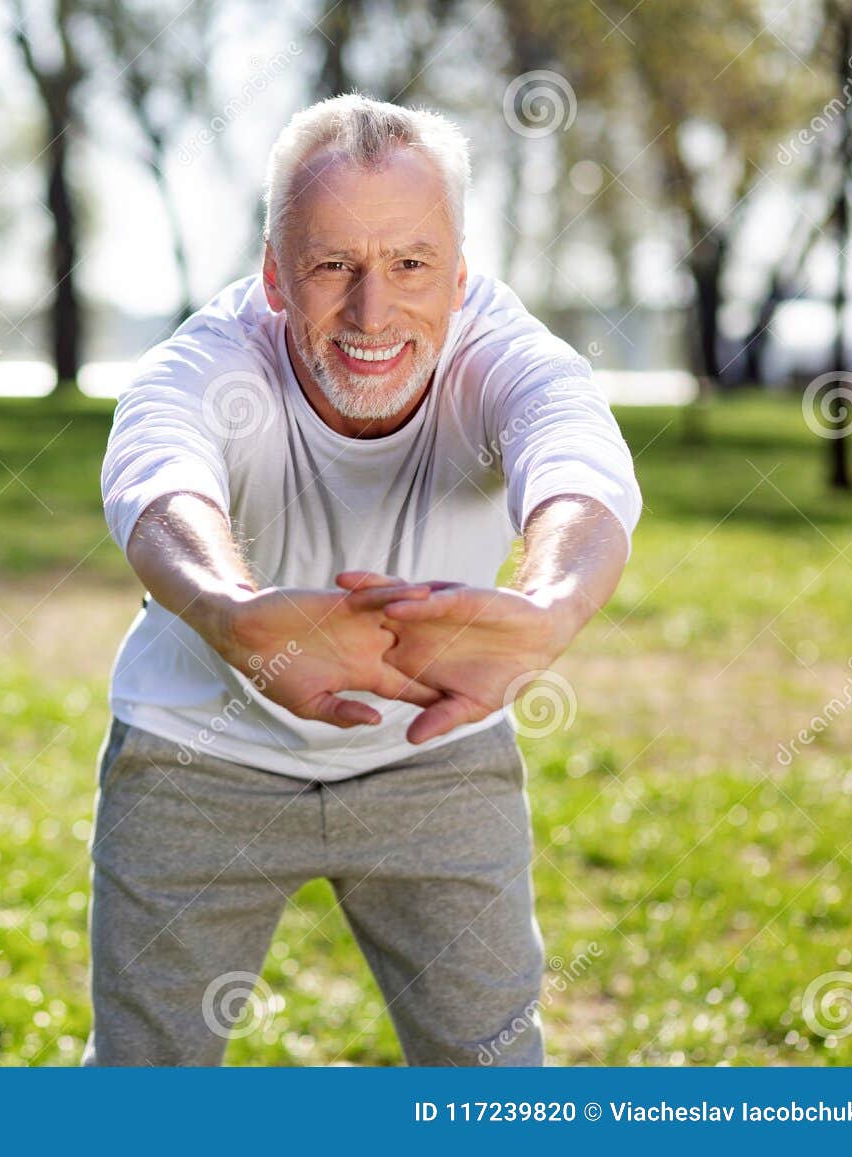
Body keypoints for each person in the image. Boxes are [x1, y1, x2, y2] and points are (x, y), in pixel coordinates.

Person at [85, 94, 642, 1066]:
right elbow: (154, 473)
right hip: (197, 751)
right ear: (272, 274)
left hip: (435, 758)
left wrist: (552, 606)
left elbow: (578, 460)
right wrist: (237, 616)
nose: (371, 311)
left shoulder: (503, 355)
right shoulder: (213, 357)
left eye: (410, 264)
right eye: (331, 264)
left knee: (498, 1090)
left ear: (459, 273)